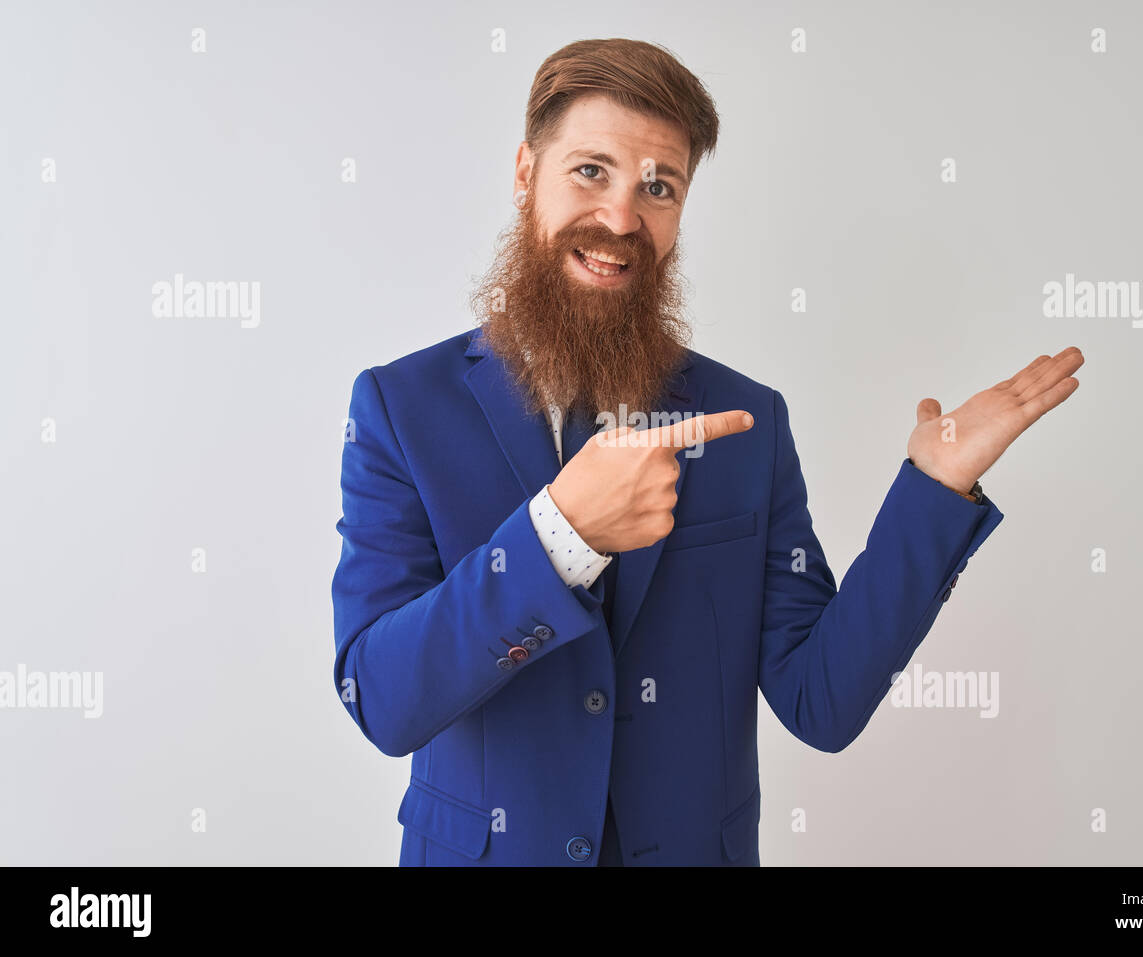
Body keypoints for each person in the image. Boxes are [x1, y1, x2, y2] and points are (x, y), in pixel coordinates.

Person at [329, 38, 1084, 866]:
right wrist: (558, 536)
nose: (621, 218)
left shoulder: (745, 420)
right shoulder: (400, 408)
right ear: (524, 173)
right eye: (591, 171)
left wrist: (935, 491)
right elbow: (386, 699)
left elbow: (820, 701)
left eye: (659, 187)